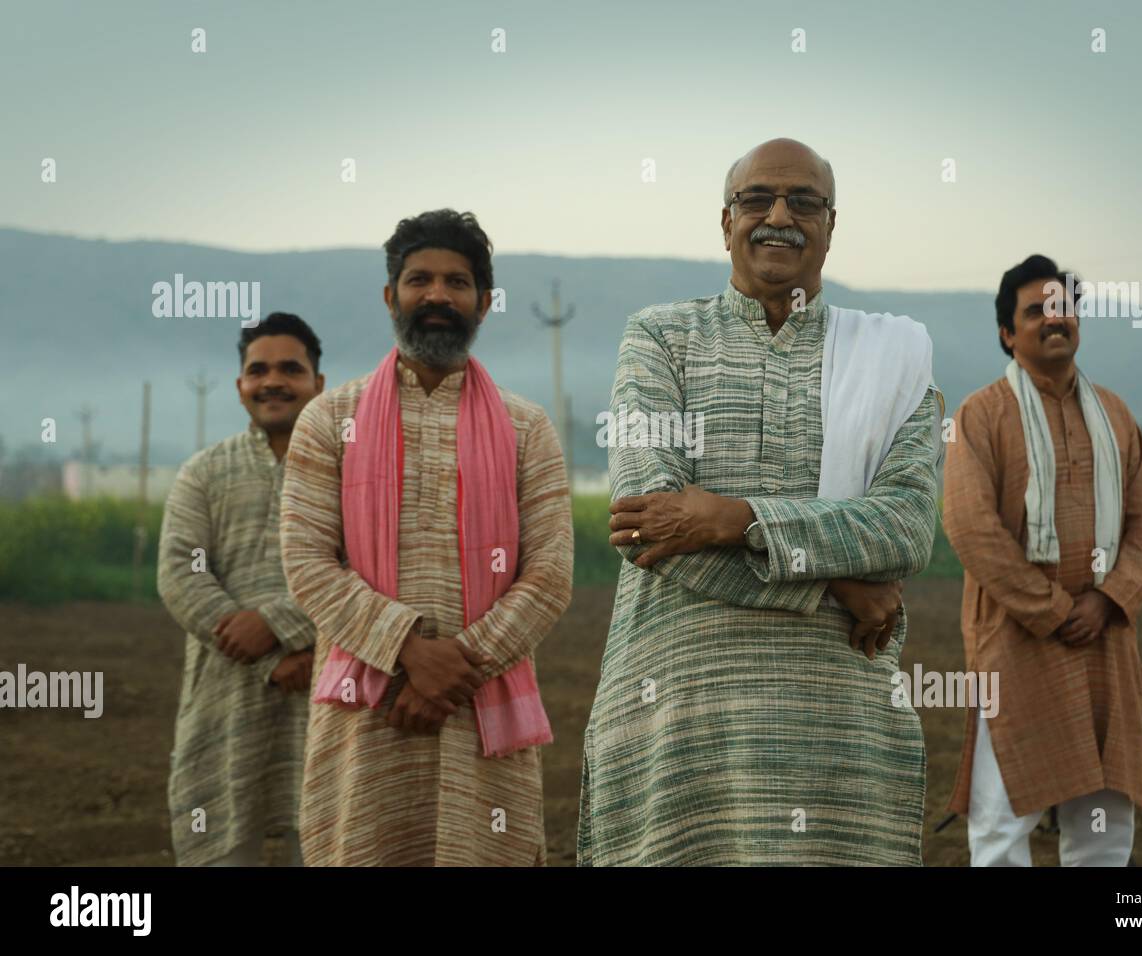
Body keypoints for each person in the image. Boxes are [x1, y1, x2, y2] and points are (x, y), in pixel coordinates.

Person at [577, 138, 942, 865]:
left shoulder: (893, 359)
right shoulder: (661, 338)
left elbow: (904, 529)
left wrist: (734, 517)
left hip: (835, 720)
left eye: (804, 202)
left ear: (831, 226)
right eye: (757, 200)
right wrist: (837, 582)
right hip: (677, 715)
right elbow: (647, 528)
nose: (780, 216)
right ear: (726, 222)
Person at [279, 210, 573, 866]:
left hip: (479, 708)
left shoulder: (527, 429)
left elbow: (550, 575)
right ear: (391, 296)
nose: (437, 295)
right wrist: (408, 649)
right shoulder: (332, 419)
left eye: (457, 282)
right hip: (367, 712)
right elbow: (308, 563)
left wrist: (451, 671)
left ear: (484, 303)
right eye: (419, 280)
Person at [943, 254, 1142, 866]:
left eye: (1063, 307)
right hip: (1016, 642)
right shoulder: (980, 416)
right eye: (1035, 311)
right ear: (1008, 335)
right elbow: (969, 526)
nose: (1052, 319)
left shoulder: (1117, 417)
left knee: (1104, 822)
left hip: (1104, 642)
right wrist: (1053, 609)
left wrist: (1105, 601)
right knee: (1002, 821)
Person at [158, 312, 325, 866]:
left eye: (290, 369)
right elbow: (181, 572)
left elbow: (364, 569)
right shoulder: (203, 473)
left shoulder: (350, 469)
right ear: (239, 386)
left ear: (318, 384)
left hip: (328, 688)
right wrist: (268, 659)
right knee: (221, 844)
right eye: (258, 370)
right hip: (224, 695)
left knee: (331, 839)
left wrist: (280, 625)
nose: (273, 381)